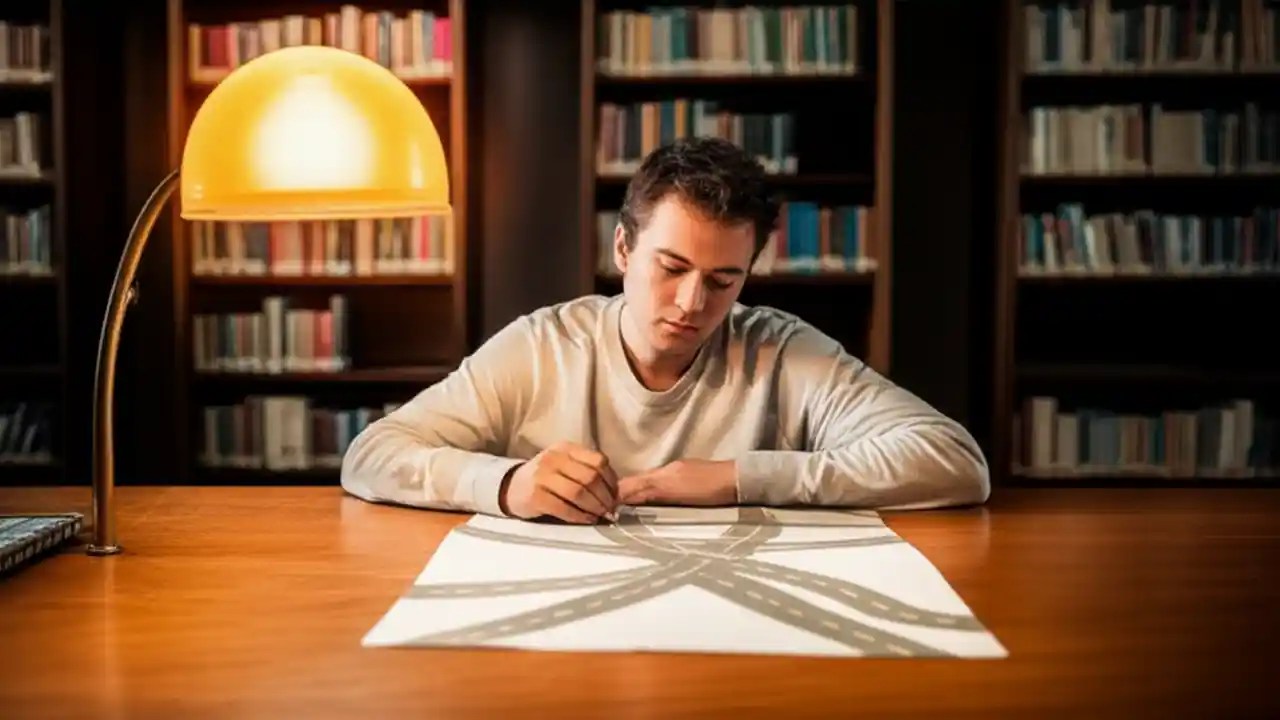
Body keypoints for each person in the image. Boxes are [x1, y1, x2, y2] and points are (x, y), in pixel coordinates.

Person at [341, 137, 990, 523]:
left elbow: (955, 462)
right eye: (672, 267)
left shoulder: (782, 350)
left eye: (722, 280)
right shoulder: (540, 346)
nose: (690, 303)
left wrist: (738, 477)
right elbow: (371, 455)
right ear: (623, 248)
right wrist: (508, 486)